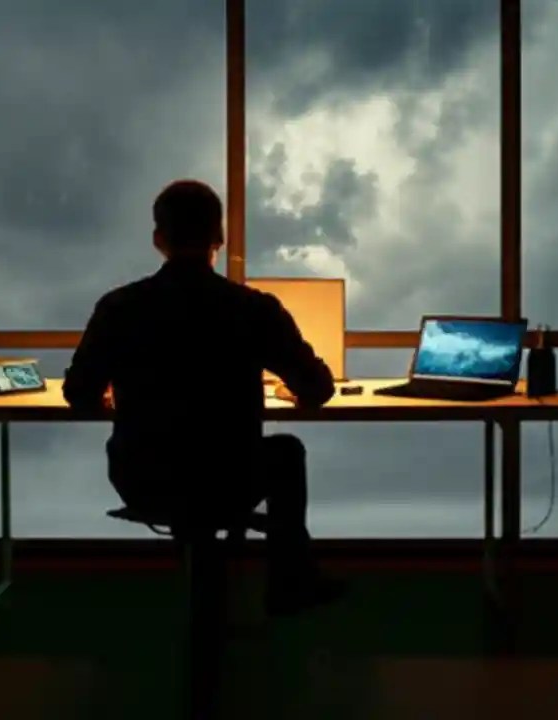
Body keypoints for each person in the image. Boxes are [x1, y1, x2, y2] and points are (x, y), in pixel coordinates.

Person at [63, 179, 346, 616]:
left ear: (159, 239)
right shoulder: (254, 308)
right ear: (219, 238)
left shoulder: (119, 307)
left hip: (145, 477)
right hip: (233, 478)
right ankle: (290, 582)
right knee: (286, 452)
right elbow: (319, 390)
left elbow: (78, 393)